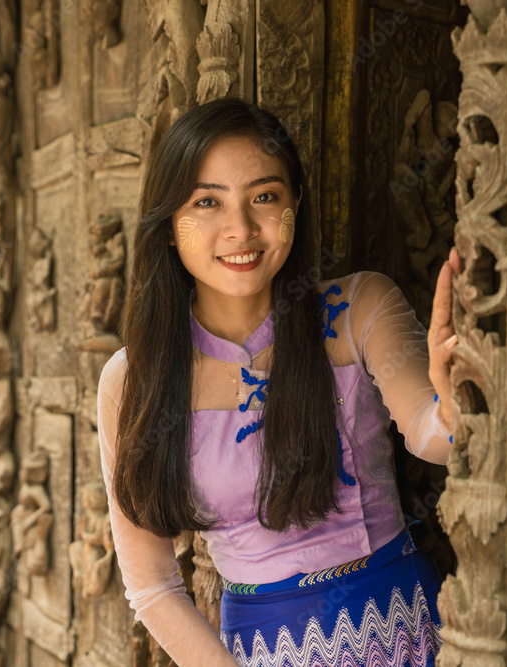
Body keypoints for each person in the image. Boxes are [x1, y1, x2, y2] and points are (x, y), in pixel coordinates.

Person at [96, 97, 461, 667]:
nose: (240, 229)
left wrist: (453, 397)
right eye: (207, 203)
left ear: (296, 205)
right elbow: (154, 586)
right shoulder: (134, 380)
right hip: (261, 651)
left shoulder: (356, 309)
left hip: (404, 631)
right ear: (169, 226)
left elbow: (429, 434)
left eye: (264, 196)